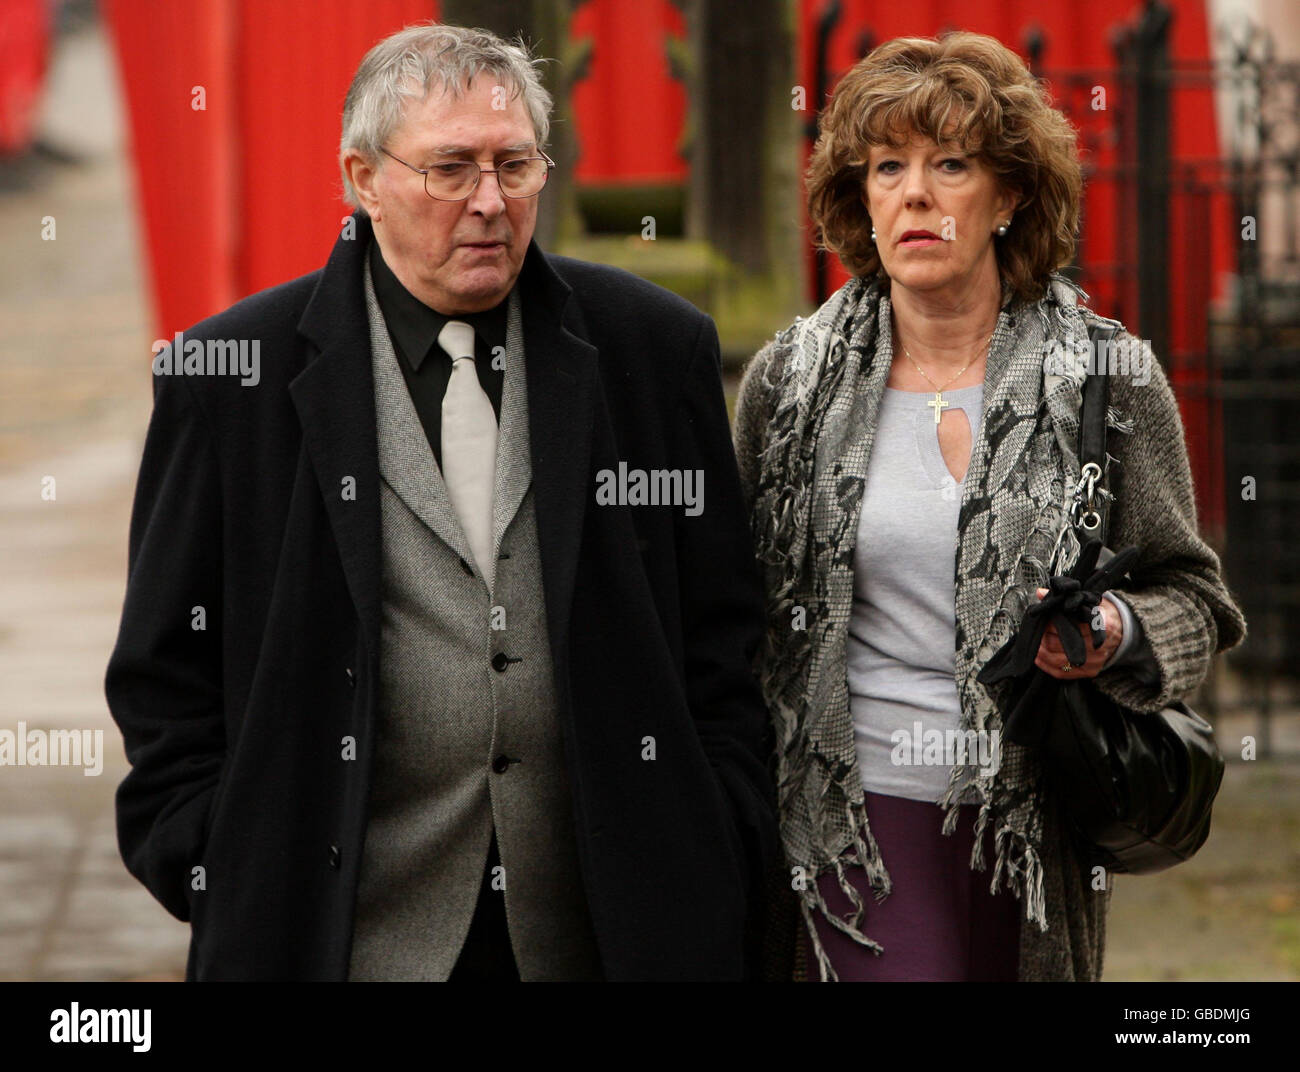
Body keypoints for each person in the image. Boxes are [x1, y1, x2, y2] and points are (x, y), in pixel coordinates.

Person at [105, 22, 776, 981]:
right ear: (363, 178)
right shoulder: (230, 379)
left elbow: (725, 640)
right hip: (342, 939)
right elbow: (163, 677)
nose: (491, 203)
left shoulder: (654, 354)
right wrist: (225, 858)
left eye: (515, 165)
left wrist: (718, 830)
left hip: (609, 935)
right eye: (450, 169)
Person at [733, 31, 1246, 982]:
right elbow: (734, 614)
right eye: (887, 166)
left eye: (951, 164)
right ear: (861, 198)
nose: (915, 193)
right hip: (855, 810)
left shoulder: (1107, 378)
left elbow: (1197, 602)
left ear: (1009, 196)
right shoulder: (788, 384)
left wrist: (1115, 628)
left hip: (1038, 816)